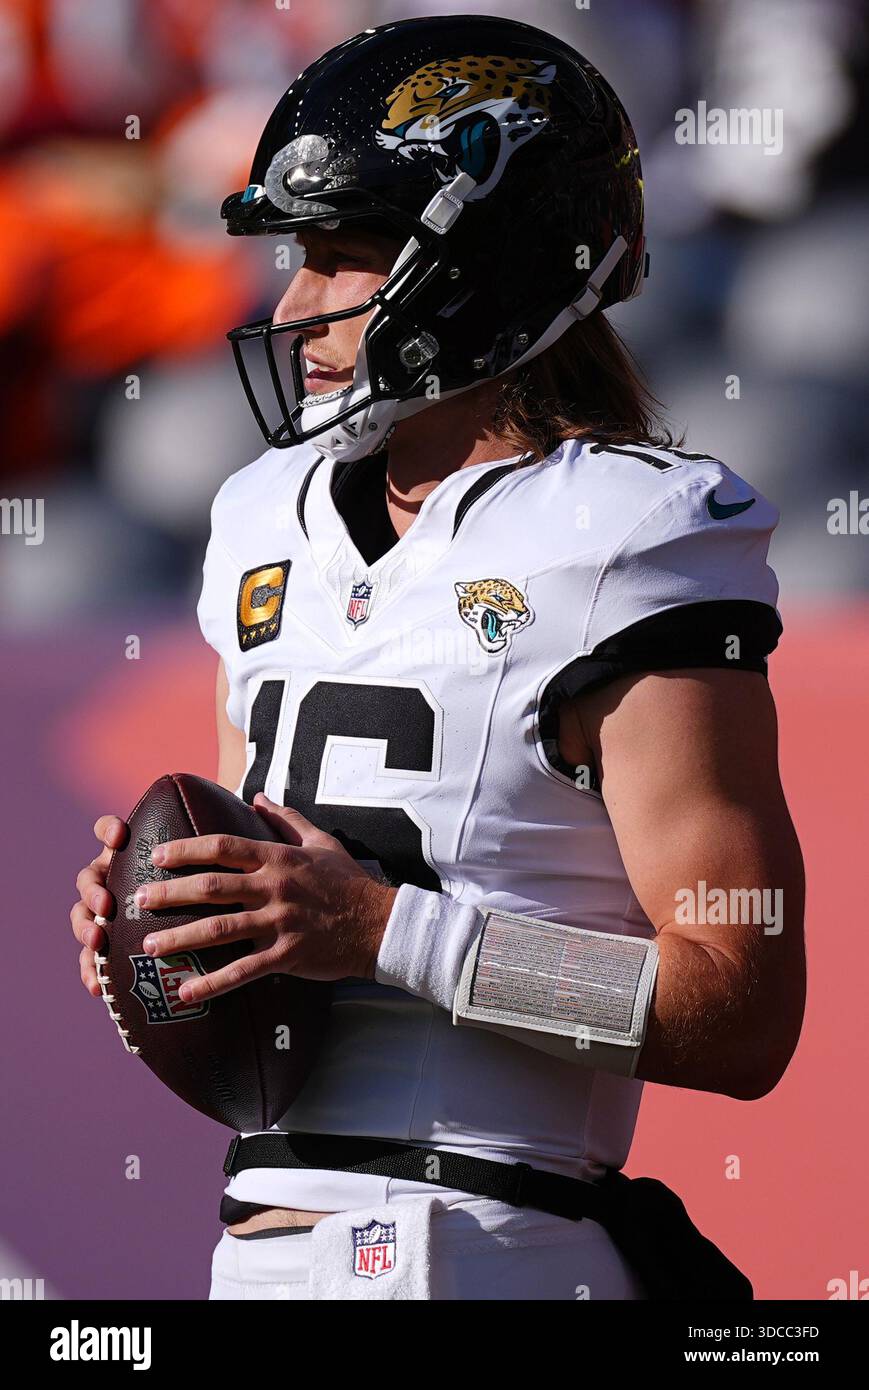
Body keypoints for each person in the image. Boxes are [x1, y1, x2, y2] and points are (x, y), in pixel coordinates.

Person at [70, 15, 805, 1301]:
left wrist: (385, 933)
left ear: (487, 265)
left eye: (342, 259)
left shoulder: (627, 530)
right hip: (257, 1245)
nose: (293, 307)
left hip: (478, 1244)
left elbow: (739, 1012)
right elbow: (274, 901)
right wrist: (175, 924)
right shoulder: (264, 512)